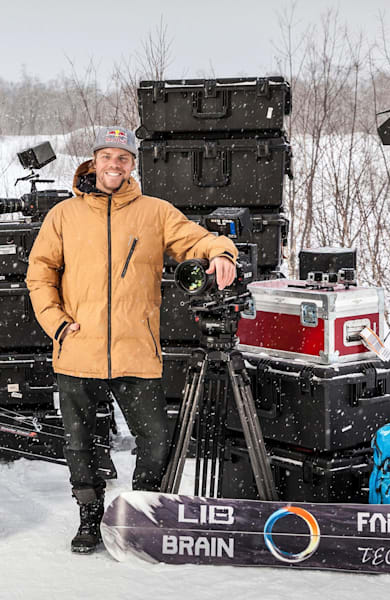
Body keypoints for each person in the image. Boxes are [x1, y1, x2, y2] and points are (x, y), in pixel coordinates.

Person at [25, 126, 239, 553]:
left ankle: (137, 513)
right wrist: (59, 324)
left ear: (132, 166)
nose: (114, 165)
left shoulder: (154, 212)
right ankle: (89, 518)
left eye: (123, 159)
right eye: (108, 157)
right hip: (78, 349)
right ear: (94, 161)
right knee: (80, 442)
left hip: (135, 350)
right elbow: (39, 274)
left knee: (157, 439)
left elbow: (196, 239)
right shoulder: (64, 215)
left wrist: (220, 252)